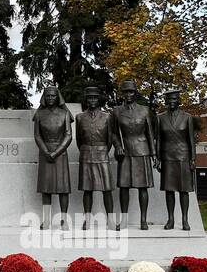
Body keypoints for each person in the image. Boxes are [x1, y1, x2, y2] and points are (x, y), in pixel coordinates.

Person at [110, 80, 155, 230]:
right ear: (122, 94)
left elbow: (149, 133)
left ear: (135, 93)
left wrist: (153, 154)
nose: (128, 95)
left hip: (142, 150)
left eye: (131, 92)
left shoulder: (144, 110)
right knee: (124, 187)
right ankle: (124, 220)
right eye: (126, 92)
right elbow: (114, 133)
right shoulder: (116, 111)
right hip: (126, 151)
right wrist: (118, 146)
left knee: (143, 188)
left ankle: (143, 220)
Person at [76, 85, 118, 231]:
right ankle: (87, 220)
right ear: (86, 100)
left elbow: (110, 138)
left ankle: (111, 221)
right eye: (89, 98)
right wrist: (86, 150)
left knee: (107, 189)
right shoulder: (80, 117)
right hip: (86, 153)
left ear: (99, 99)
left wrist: (103, 151)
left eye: (95, 97)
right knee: (87, 189)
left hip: (102, 154)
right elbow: (78, 140)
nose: (92, 100)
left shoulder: (107, 117)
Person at [32, 85, 73, 230]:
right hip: (45, 153)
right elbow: (37, 135)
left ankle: (64, 220)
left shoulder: (64, 114)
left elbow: (68, 135)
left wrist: (56, 152)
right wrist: (45, 151)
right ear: (44, 97)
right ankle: (47, 220)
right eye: (48, 96)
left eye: (53, 96)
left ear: (58, 97)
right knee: (46, 188)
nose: (50, 98)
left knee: (63, 188)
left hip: (60, 153)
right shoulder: (39, 115)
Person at [157, 89, 197, 230]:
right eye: (169, 100)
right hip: (167, 156)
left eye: (174, 100)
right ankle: (171, 219)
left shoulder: (187, 117)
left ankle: (185, 220)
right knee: (169, 189)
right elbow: (159, 140)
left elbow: (191, 139)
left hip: (183, 156)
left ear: (178, 101)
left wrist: (193, 159)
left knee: (183, 190)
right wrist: (158, 157)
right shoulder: (160, 117)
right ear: (166, 102)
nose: (171, 102)